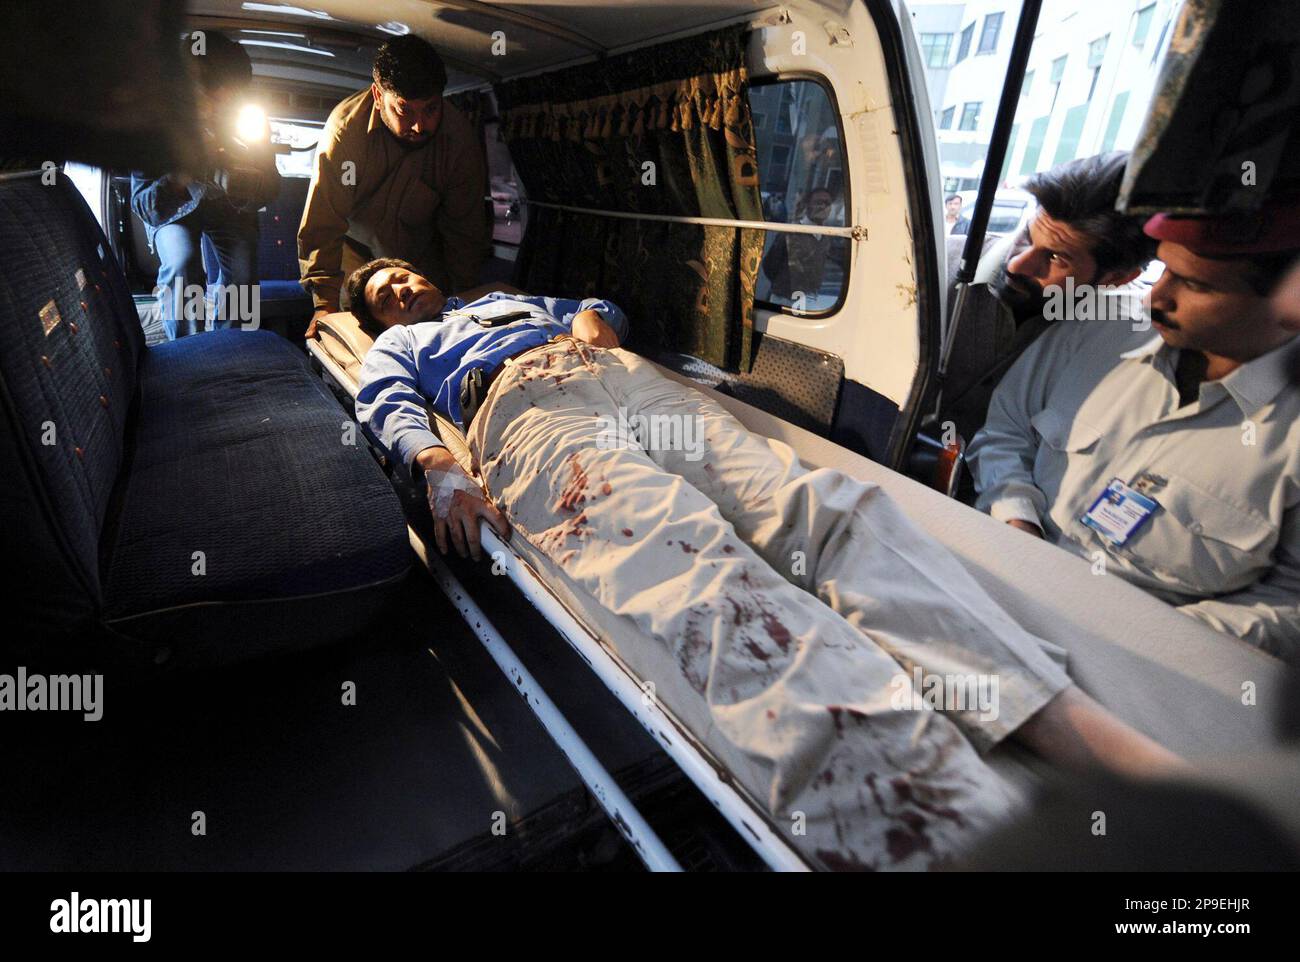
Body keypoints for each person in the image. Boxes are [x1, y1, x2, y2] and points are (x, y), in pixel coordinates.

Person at [351, 256, 1183, 870]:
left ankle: (1063, 723)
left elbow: (593, 303)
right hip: (522, 411)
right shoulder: (410, 345)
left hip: (620, 376)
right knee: (690, 569)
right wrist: (439, 465)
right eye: (379, 292)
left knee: (814, 509)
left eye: (398, 272)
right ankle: (956, 835)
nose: (395, 285)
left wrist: (594, 317)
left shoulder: (505, 296)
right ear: (383, 318)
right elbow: (385, 403)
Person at [968, 200, 1300, 658]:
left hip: (1137, 659)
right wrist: (1017, 523)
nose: (1154, 298)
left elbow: (1290, 601)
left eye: (1193, 285)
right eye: (1163, 270)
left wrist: (1151, 636)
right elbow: (1006, 430)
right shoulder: (1102, 323)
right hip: (1001, 575)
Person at [943, 153, 1156, 443]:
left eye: (1057, 258)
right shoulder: (934, 265)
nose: (1018, 264)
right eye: (1028, 236)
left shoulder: (1115, 336)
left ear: (1117, 279)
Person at [298, 35, 488, 339]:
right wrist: (324, 304)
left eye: (430, 109)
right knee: (361, 332)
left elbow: (464, 229)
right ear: (378, 95)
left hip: (421, 259)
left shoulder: (458, 140)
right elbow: (324, 223)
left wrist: (466, 297)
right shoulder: (346, 134)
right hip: (355, 257)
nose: (419, 126)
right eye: (404, 110)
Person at [131, 32, 281, 340]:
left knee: (243, 274)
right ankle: (188, 349)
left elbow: (272, 186)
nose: (216, 108)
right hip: (175, 209)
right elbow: (144, 205)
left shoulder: (248, 120)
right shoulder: (155, 121)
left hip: (231, 208)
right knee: (182, 262)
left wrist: (246, 183)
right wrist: (182, 174)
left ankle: (235, 343)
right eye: (209, 97)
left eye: (228, 98)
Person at [760, 186, 844, 305]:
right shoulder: (791, 232)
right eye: (818, 202)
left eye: (827, 203)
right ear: (807, 205)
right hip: (784, 300)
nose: (822, 207)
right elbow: (769, 265)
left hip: (810, 302)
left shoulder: (825, 238)